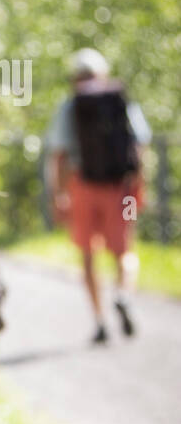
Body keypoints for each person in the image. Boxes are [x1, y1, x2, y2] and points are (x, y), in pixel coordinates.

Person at [46, 48, 151, 344]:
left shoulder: (70, 106)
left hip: (82, 187)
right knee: (124, 250)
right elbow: (140, 145)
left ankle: (100, 321)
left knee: (88, 254)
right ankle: (123, 293)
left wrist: (59, 196)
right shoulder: (120, 101)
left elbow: (59, 156)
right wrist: (139, 186)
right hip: (122, 189)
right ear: (102, 73)